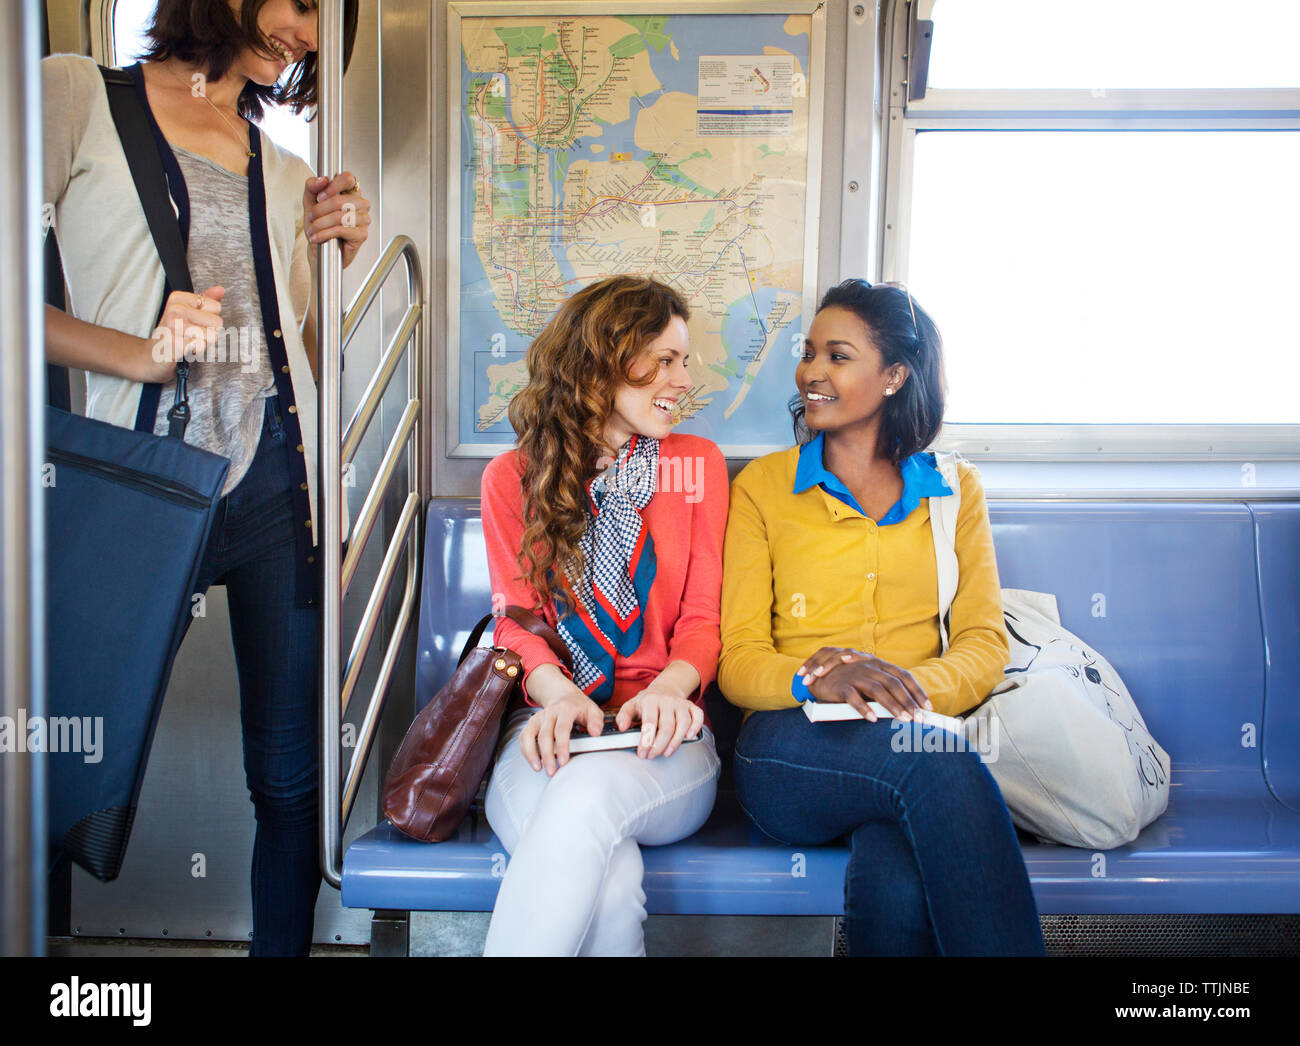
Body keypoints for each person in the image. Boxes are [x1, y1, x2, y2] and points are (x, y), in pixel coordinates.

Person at [42, 0, 366, 956]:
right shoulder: (75, 94)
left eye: (323, 23)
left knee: (288, 777)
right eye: (301, 5)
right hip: (141, 483)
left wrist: (335, 258)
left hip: (277, 484)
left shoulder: (290, 172)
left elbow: (299, 356)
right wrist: (139, 355)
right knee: (71, 762)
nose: (306, 33)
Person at [718, 278, 1045, 956]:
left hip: (911, 745)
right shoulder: (763, 489)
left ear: (894, 374)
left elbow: (985, 643)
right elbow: (739, 659)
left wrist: (902, 690)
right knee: (935, 761)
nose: (811, 371)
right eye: (809, 354)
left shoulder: (956, 491)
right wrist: (819, 679)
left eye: (837, 356)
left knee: (897, 871)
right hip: (787, 749)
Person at [479, 276, 728, 956]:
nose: (683, 379)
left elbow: (703, 620)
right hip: (546, 728)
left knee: (587, 799)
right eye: (666, 360)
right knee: (610, 880)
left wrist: (670, 692)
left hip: (664, 740)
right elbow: (516, 622)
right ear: (600, 364)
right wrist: (557, 697)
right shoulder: (512, 478)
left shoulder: (698, 467)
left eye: (684, 360)